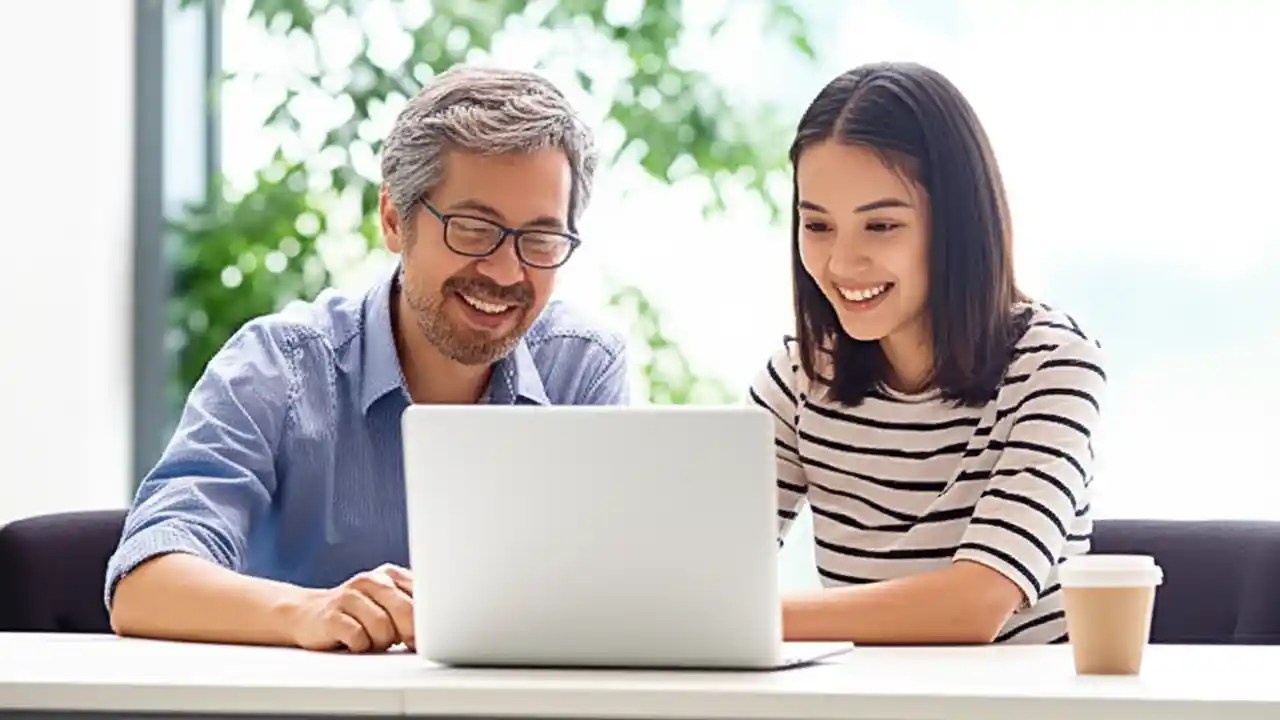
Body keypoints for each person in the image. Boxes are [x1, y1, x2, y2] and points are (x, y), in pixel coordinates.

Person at [106, 66, 628, 653]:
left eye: (540, 239)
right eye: (473, 229)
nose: (507, 272)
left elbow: (612, 591)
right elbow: (143, 587)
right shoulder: (278, 368)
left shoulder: (581, 368)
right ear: (393, 220)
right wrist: (308, 612)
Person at [751, 61, 1104, 645]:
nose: (841, 263)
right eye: (817, 226)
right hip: (864, 695)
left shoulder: (1053, 365)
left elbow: (975, 605)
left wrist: (746, 618)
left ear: (957, 225)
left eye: (881, 226)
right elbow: (707, 571)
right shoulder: (800, 377)